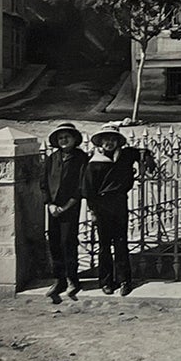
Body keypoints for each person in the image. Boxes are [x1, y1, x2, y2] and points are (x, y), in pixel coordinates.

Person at [85, 127, 140, 296]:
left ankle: (124, 281)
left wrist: (146, 161)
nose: (109, 143)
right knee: (104, 246)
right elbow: (88, 190)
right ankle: (106, 281)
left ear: (118, 142)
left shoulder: (124, 157)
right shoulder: (94, 163)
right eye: (106, 139)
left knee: (121, 243)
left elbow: (139, 152)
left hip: (119, 204)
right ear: (100, 142)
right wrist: (93, 211)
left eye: (113, 139)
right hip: (102, 206)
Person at [40, 124, 87, 303]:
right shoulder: (52, 158)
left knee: (68, 242)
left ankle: (72, 279)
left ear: (74, 139)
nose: (64, 140)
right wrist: (50, 204)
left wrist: (67, 206)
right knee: (54, 243)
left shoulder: (81, 158)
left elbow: (81, 185)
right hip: (53, 209)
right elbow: (43, 183)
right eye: (60, 138)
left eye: (67, 137)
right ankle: (58, 280)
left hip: (70, 207)